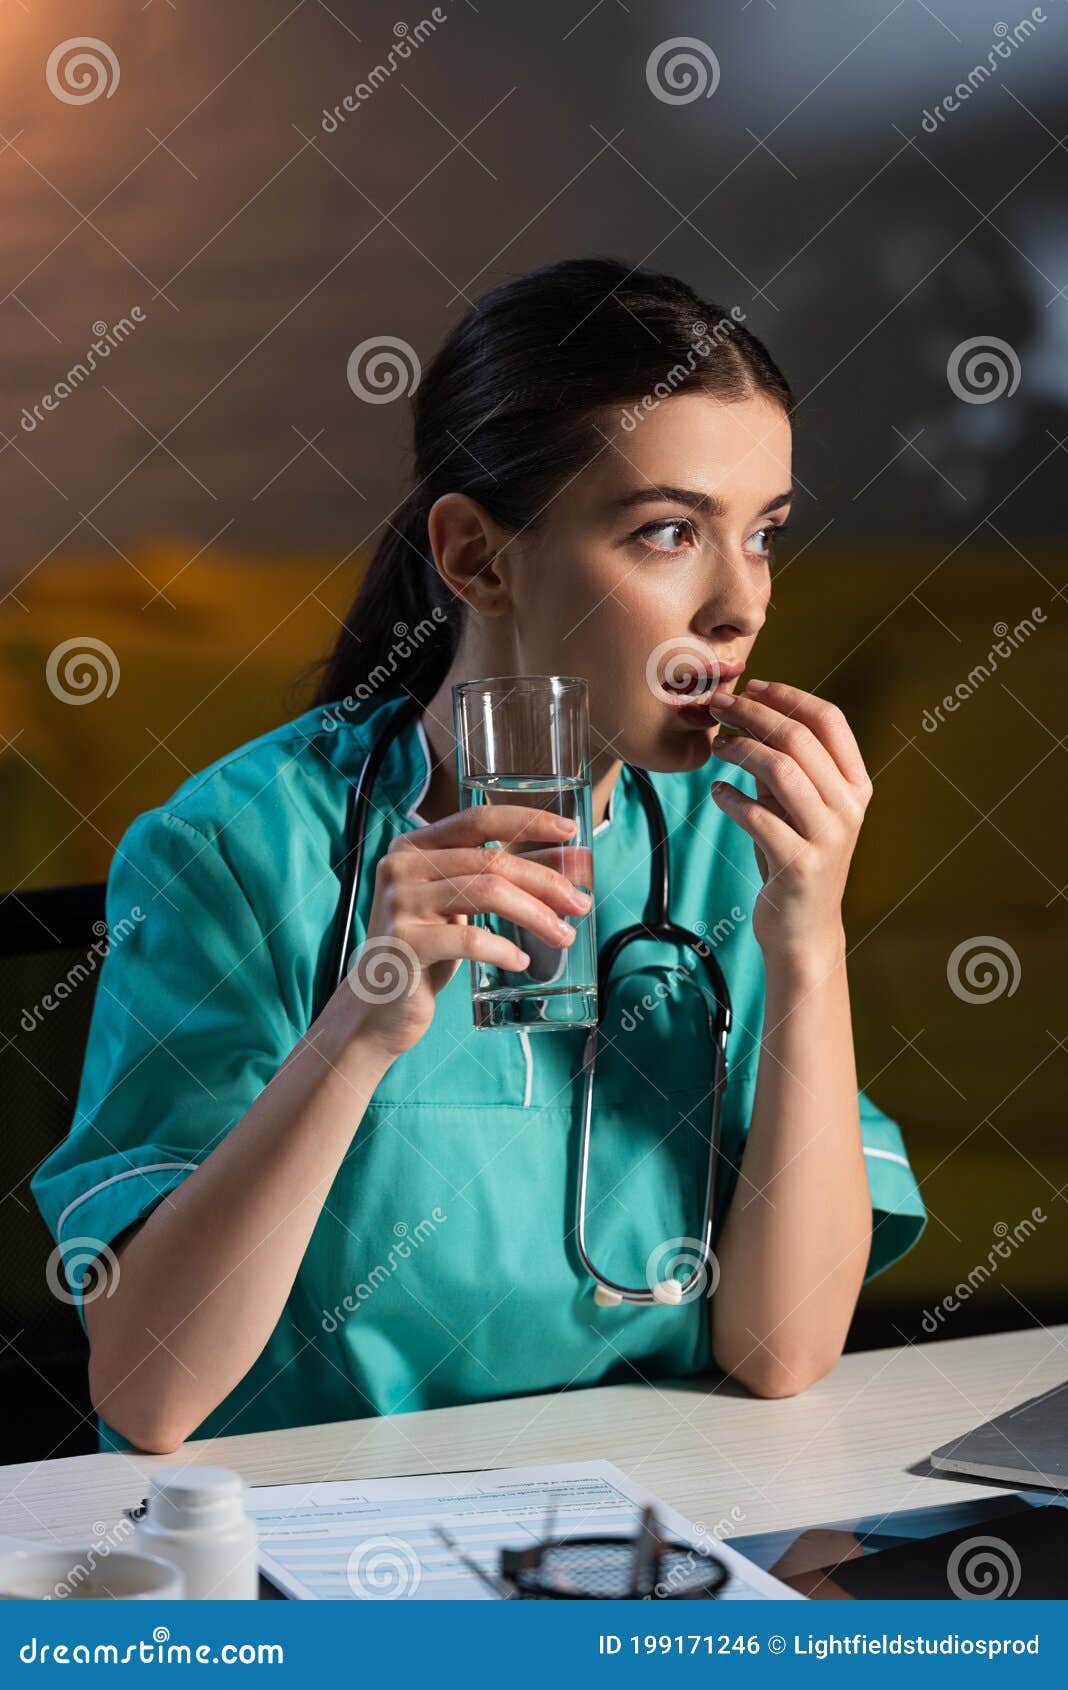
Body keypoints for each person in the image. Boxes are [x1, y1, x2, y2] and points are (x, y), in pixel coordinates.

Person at [33, 258, 925, 1454]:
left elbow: (782, 1350)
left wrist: (808, 944)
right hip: (310, 1557)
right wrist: (365, 1021)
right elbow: (146, 1391)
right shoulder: (236, 847)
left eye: (761, 535)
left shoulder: (736, 840)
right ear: (475, 557)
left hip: (641, 1534)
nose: (738, 605)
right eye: (667, 532)